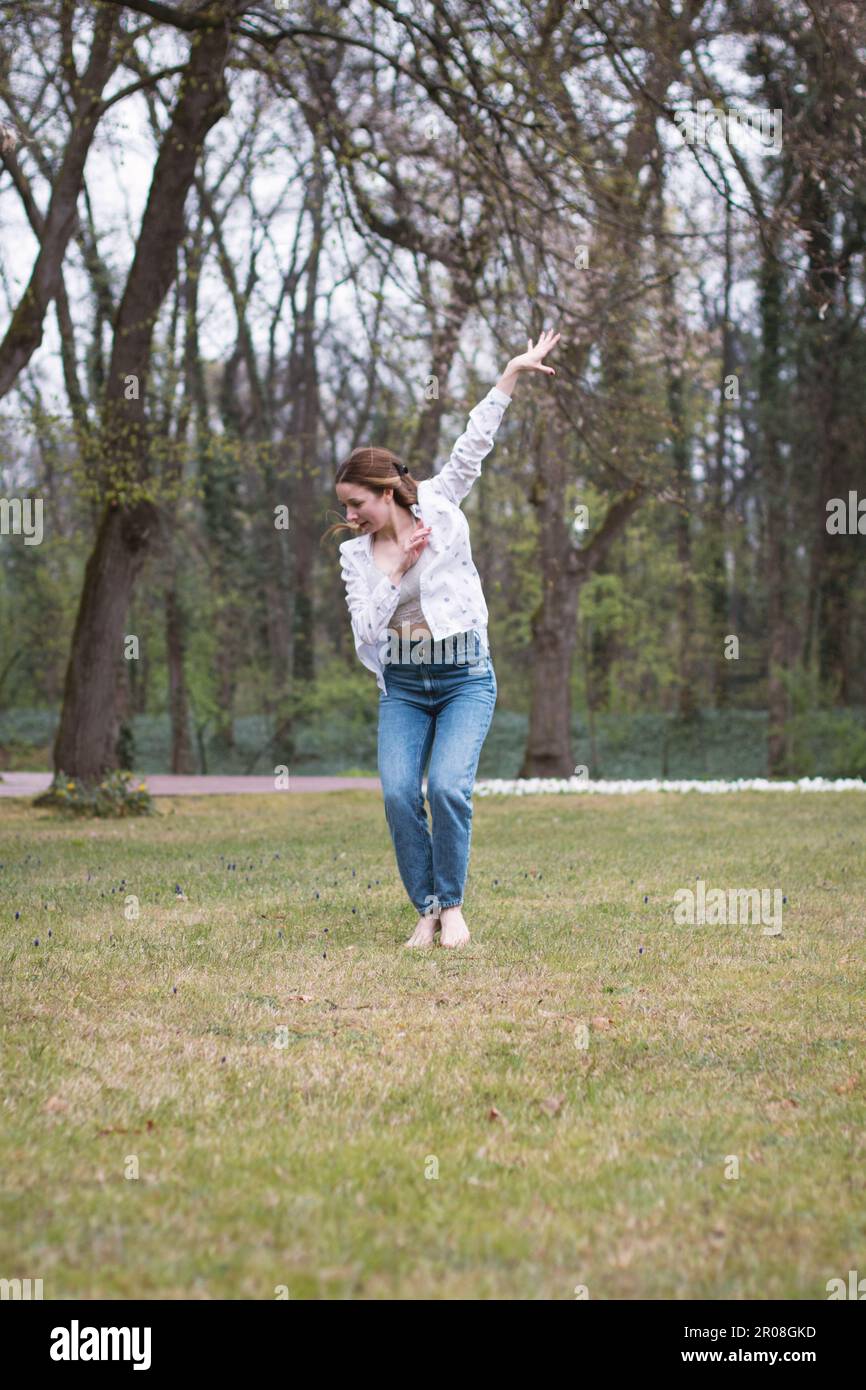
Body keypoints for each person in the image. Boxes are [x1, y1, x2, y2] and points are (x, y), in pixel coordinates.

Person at [325, 330, 560, 948]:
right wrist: (398, 569)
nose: (350, 516)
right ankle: (425, 908)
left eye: (358, 504)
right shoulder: (357, 558)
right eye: (345, 507)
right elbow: (365, 630)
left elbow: (473, 444)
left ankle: (450, 906)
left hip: (462, 677)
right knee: (402, 793)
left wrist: (510, 374)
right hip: (403, 685)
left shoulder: (439, 500)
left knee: (448, 787)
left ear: (385, 491)